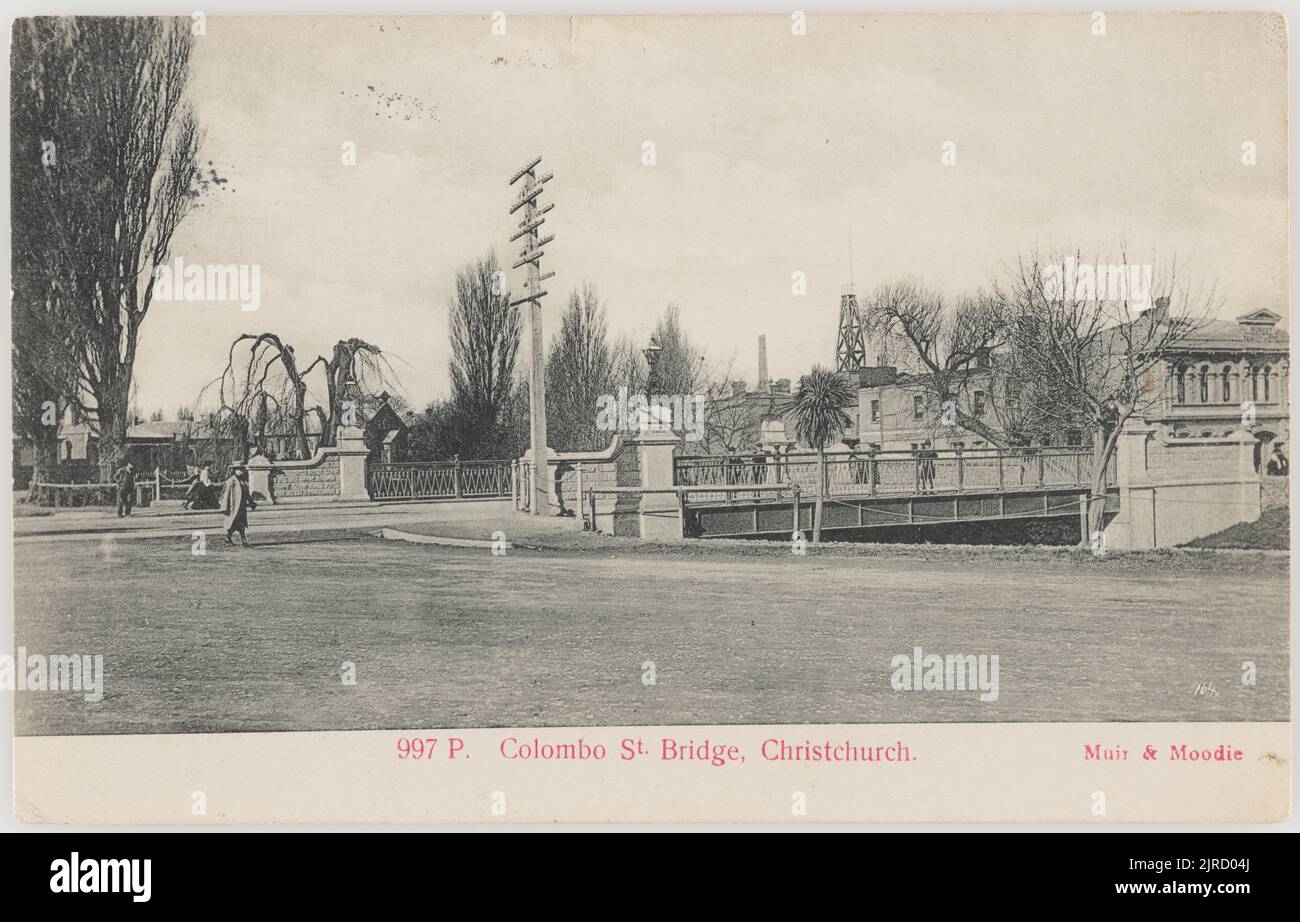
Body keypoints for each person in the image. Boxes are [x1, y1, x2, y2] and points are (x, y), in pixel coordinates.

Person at [220, 468, 257, 547]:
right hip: (234, 507)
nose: (241, 471)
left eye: (242, 470)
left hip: (241, 506)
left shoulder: (243, 481)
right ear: (234, 471)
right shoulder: (231, 481)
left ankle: (239, 540)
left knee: (241, 524)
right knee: (234, 523)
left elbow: (246, 494)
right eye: (239, 470)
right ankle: (237, 539)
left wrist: (251, 503)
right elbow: (226, 494)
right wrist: (224, 506)